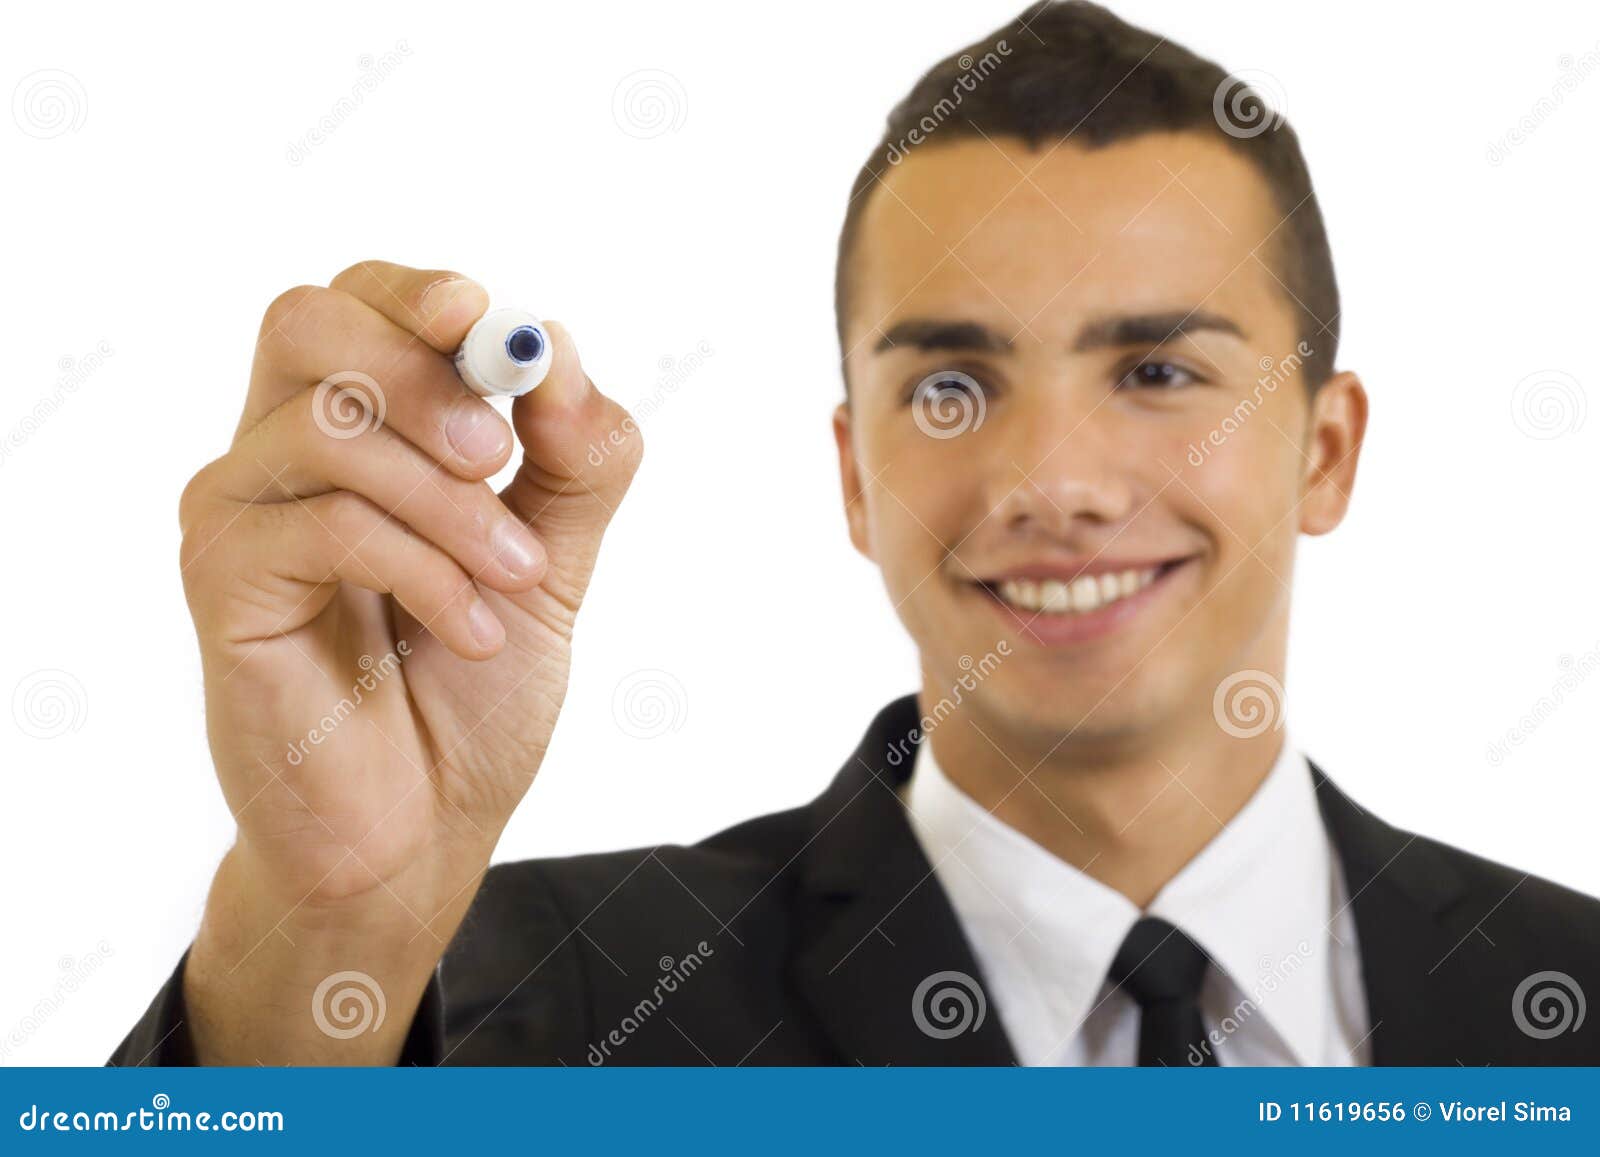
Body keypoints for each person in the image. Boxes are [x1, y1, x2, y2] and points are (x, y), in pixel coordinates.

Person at [113, 0, 1599, 1067]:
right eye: (952, 385)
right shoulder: (529, 1006)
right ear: (854, 474)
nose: (1051, 478)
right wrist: (325, 929)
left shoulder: (1565, 1003)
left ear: (1325, 451)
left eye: (1156, 373)